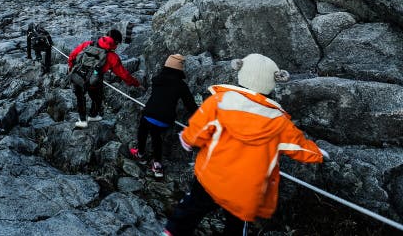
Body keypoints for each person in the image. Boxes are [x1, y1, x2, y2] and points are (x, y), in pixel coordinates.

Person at [163, 53, 327, 236]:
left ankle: (172, 233)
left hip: (211, 177)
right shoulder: (279, 122)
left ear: (241, 72)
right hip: (245, 191)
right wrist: (319, 154)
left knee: (189, 210)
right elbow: (299, 147)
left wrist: (186, 140)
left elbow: (198, 129)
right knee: (236, 227)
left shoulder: (219, 102)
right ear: (272, 83)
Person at [130, 54, 197, 179]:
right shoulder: (181, 85)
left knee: (143, 129)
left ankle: (140, 154)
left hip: (149, 113)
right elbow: (190, 106)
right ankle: (157, 165)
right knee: (157, 137)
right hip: (166, 119)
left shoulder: (157, 79)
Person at [68, 29, 141, 128]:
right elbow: (124, 75)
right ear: (115, 42)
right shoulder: (112, 56)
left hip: (77, 76)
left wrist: (71, 68)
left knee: (80, 97)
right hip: (93, 81)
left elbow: (72, 56)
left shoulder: (88, 44)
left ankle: (82, 120)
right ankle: (93, 115)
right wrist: (136, 83)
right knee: (97, 97)